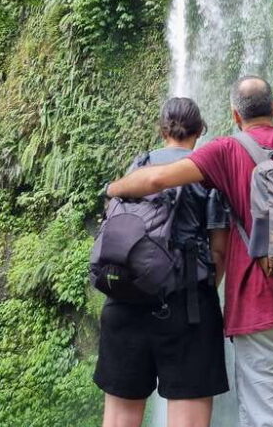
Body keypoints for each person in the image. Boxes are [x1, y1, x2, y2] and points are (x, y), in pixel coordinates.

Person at [107, 76, 273, 427]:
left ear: (235, 116)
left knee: (272, 420)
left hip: (259, 308)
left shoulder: (225, 150)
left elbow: (155, 180)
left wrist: (113, 187)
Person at [95, 97, 230, 427]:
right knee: (188, 419)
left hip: (125, 297)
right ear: (200, 130)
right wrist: (202, 291)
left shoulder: (137, 167)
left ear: (163, 128)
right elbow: (220, 250)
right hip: (188, 306)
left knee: (119, 419)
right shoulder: (206, 169)